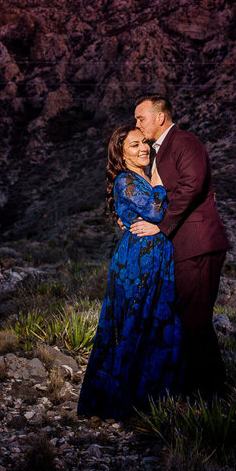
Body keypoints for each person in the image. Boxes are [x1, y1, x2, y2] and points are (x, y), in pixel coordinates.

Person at [77, 125, 181, 420]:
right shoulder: (126, 180)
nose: (143, 149)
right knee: (133, 325)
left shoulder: (142, 177)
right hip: (138, 263)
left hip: (156, 259)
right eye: (133, 146)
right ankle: (119, 402)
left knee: (153, 327)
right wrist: (160, 185)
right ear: (122, 155)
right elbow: (156, 212)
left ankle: (148, 399)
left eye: (144, 143)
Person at [130, 94, 229, 398]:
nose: (136, 124)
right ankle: (205, 391)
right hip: (183, 247)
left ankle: (208, 394)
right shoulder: (160, 152)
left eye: (140, 118)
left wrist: (161, 226)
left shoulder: (184, 142)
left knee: (194, 320)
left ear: (160, 117)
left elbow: (191, 185)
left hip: (198, 244)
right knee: (189, 318)